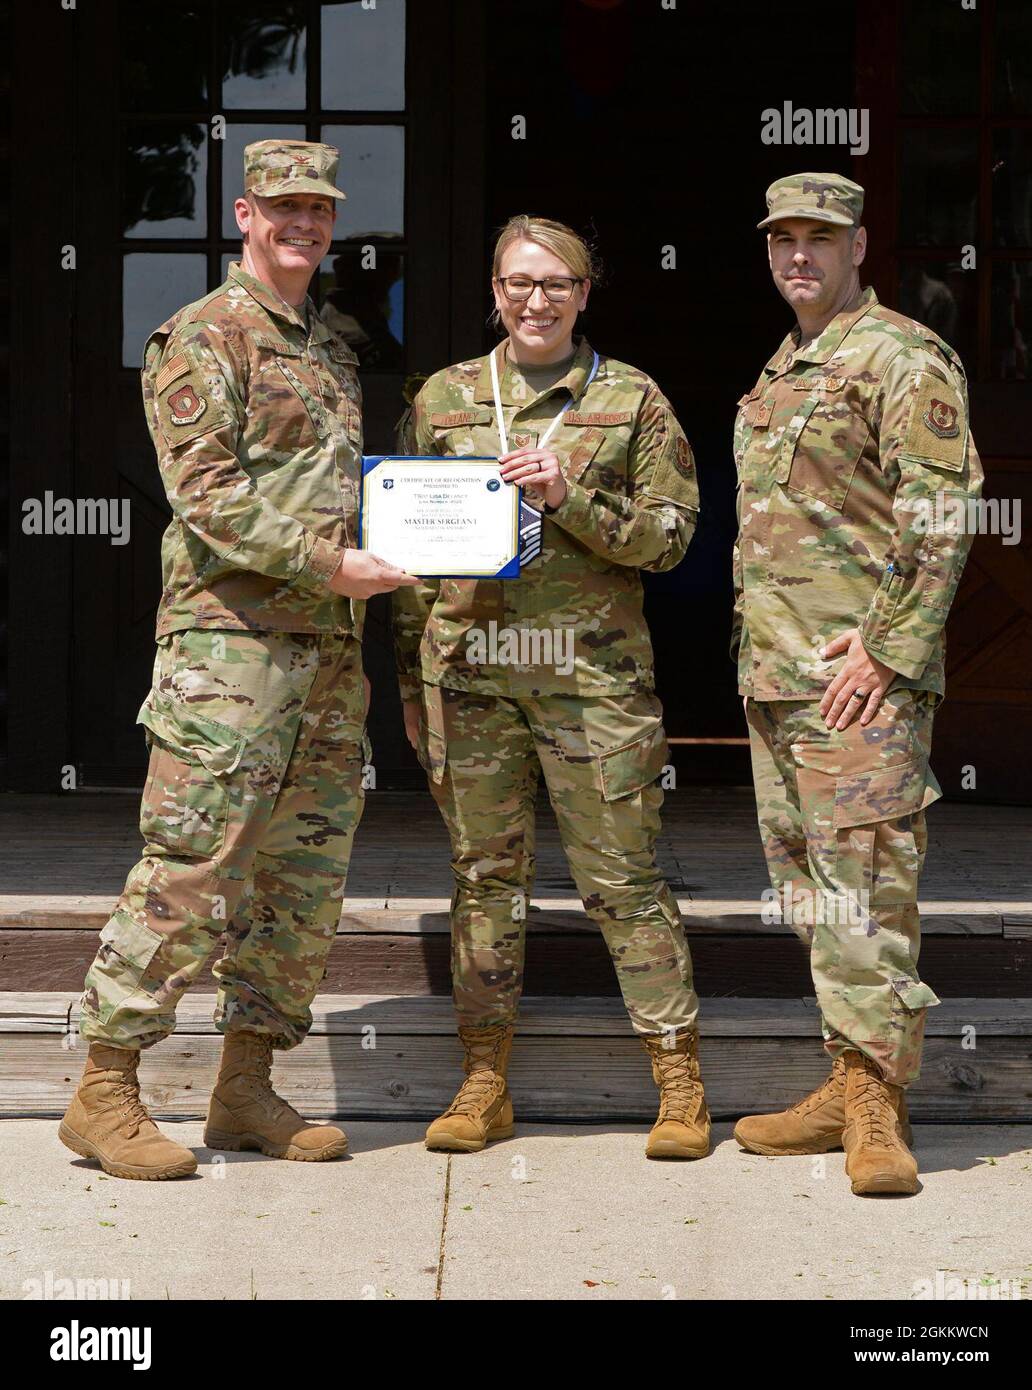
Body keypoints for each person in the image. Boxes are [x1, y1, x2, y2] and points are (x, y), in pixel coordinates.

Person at [60, 139, 418, 1181]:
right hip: (230, 651)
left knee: (301, 878)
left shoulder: (329, 344)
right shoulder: (202, 338)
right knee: (194, 864)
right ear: (244, 214)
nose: (304, 223)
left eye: (319, 209)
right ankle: (104, 1084)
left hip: (326, 654)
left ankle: (245, 1084)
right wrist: (328, 562)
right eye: (284, 207)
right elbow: (205, 495)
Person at [393, 216, 707, 1159]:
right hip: (473, 679)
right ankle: (483, 1080)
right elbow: (407, 552)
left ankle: (678, 1082)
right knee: (485, 881)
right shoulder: (445, 398)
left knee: (623, 880)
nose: (536, 300)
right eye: (519, 282)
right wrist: (413, 680)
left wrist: (571, 497)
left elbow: (673, 540)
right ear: (493, 290)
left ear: (585, 291)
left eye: (557, 283)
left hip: (590, 683)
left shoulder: (631, 399)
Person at [730, 173, 983, 1195]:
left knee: (866, 891)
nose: (800, 255)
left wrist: (885, 649)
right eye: (783, 238)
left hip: (856, 684)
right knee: (813, 896)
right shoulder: (786, 363)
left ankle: (879, 1109)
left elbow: (942, 514)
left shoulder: (898, 355)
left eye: (819, 239)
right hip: (778, 676)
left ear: (859, 245)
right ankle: (843, 1080)